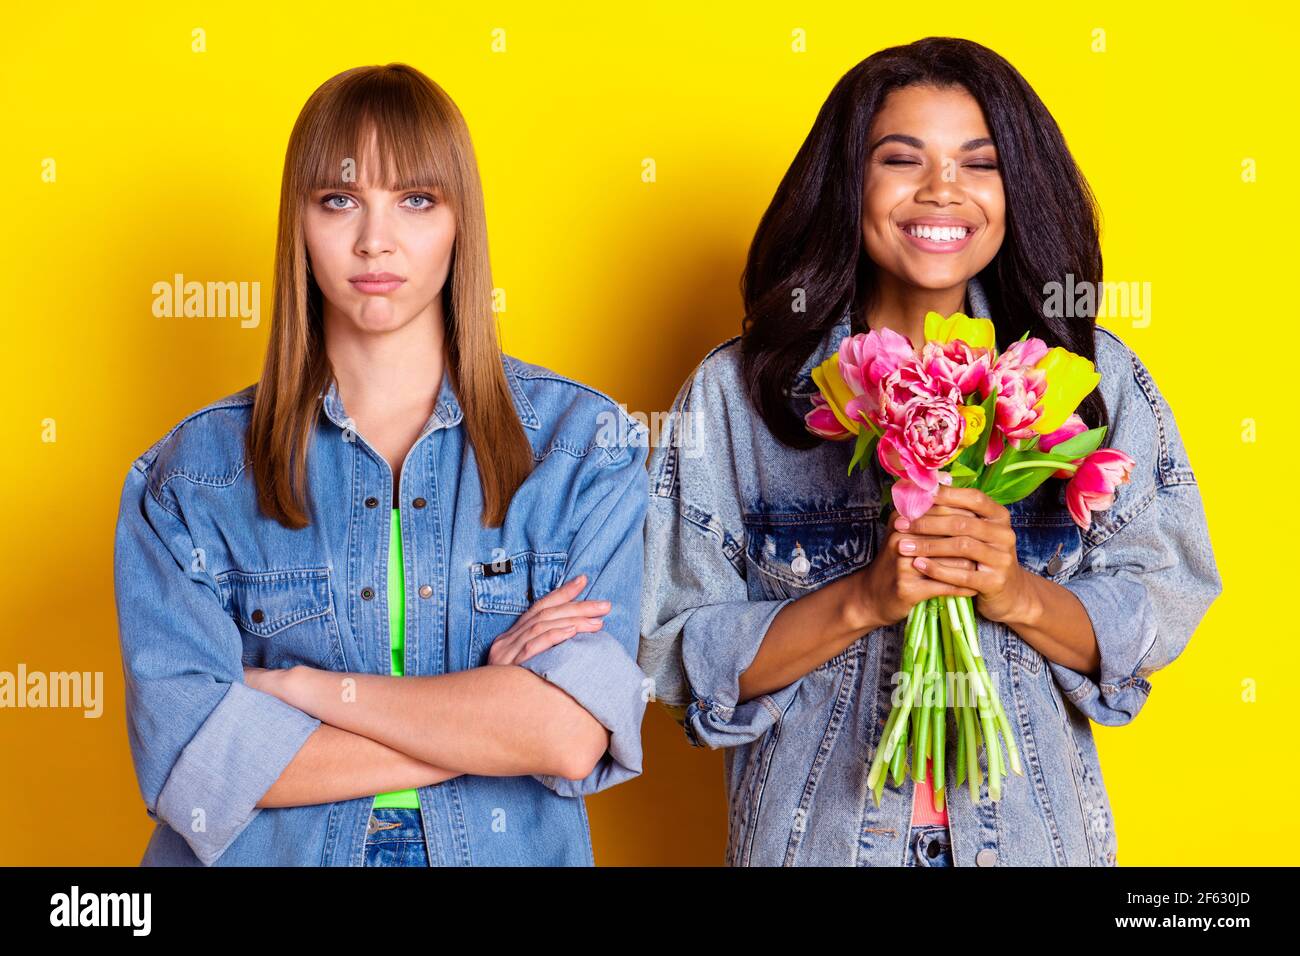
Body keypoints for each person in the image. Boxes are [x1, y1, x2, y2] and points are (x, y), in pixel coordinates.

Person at [638, 37, 1222, 866]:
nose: (942, 190)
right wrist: (863, 600)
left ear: (1016, 188)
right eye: (902, 160)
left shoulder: (1087, 379)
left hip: (1030, 843)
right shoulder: (743, 391)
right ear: (850, 185)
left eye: (977, 165)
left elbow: (1161, 601)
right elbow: (674, 647)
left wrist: (1014, 591)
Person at [113, 63, 649, 866]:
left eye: (416, 200)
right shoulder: (191, 476)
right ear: (298, 221)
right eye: (339, 200)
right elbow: (195, 765)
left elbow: (574, 734)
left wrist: (299, 692)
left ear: (460, 220)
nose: (375, 239)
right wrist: (494, 720)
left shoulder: (581, 446)